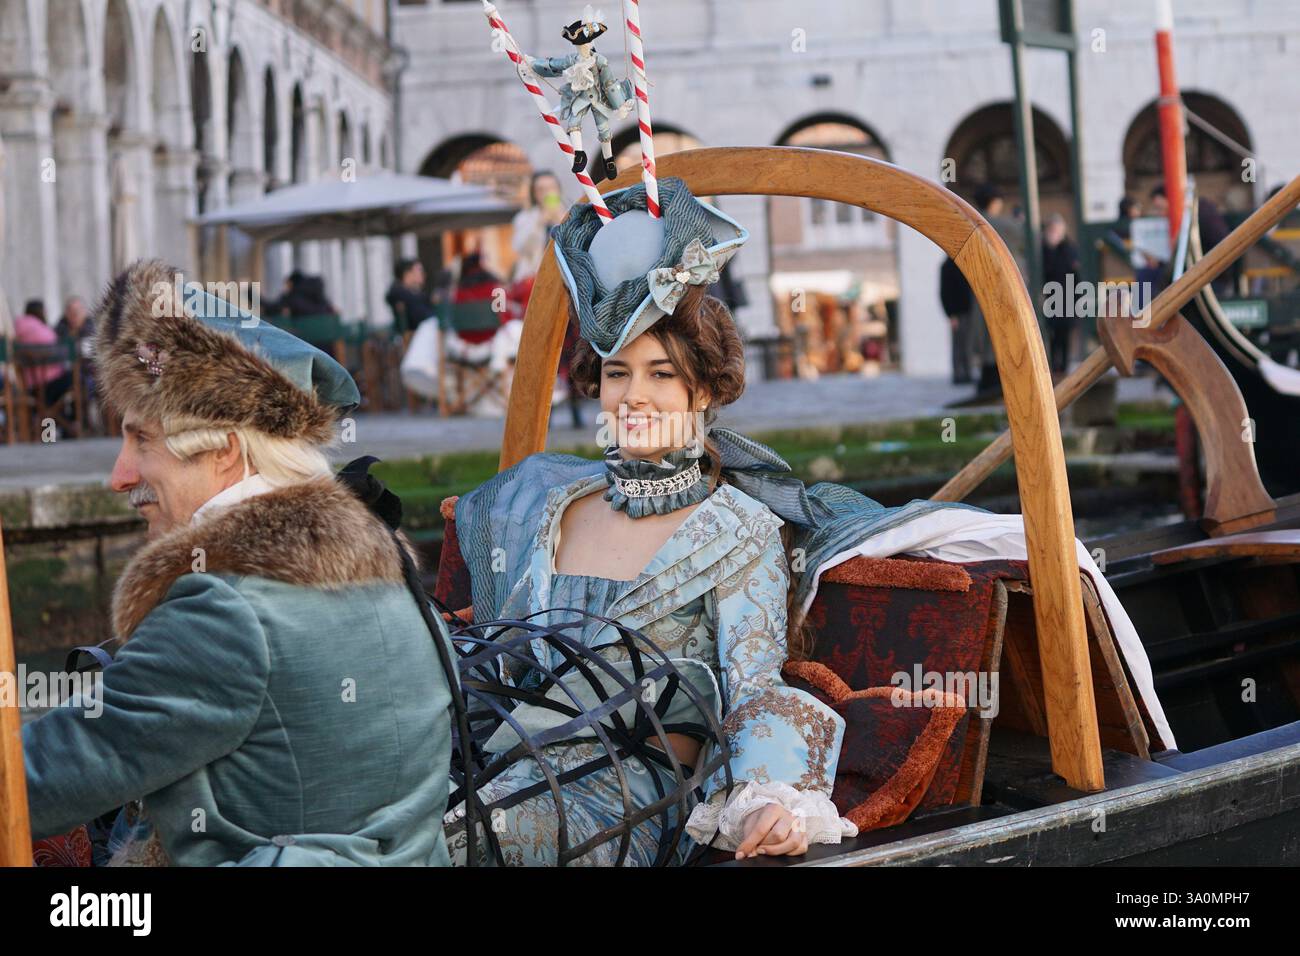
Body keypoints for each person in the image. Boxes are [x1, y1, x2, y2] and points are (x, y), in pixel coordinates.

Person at [443, 178, 856, 866]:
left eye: (661, 374)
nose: (634, 396)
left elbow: (753, 685)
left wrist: (773, 802)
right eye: (616, 373)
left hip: (624, 802)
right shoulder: (548, 510)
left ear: (702, 389)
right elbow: (504, 660)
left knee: (452, 849)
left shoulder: (737, 532)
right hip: (500, 768)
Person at [21, 259, 455, 866]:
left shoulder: (223, 606)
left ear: (224, 453)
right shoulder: (389, 571)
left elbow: (40, 778)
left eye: (141, 440)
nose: (119, 477)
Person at [14, 298, 75, 409]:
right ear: (40, 311)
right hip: (47, 383)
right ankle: (72, 420)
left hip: (29, 384)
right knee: (77, 377)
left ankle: (54, 418)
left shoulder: (17, 328)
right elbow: (60, 352)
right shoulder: (41, 330)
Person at [1041, 212, 1081, 374]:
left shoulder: (1069, 248)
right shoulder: (1043, 250)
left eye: (1058, 230)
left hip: (1066, 297)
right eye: (1052, 230)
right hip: (1048, 296)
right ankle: (1052, 365)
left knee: (1064, 333)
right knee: (1051, 334)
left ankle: (1063, 366)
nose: (1055, 234)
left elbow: (1074, 273)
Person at [939, 256, 973, 384]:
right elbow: (944, 293)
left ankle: (966, 373)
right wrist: (951, 314)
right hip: (957, 313)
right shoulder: (947, 267)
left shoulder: (962, 264)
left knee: (966, 344)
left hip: (966, 310)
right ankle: (958, 374)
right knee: (958, 345)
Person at [385, 257, 438, 336]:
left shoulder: (413, 294)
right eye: (420, 271)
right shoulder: (399, 293)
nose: (423, 274)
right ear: (407, 274)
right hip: (417, 336)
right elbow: (423, 316)